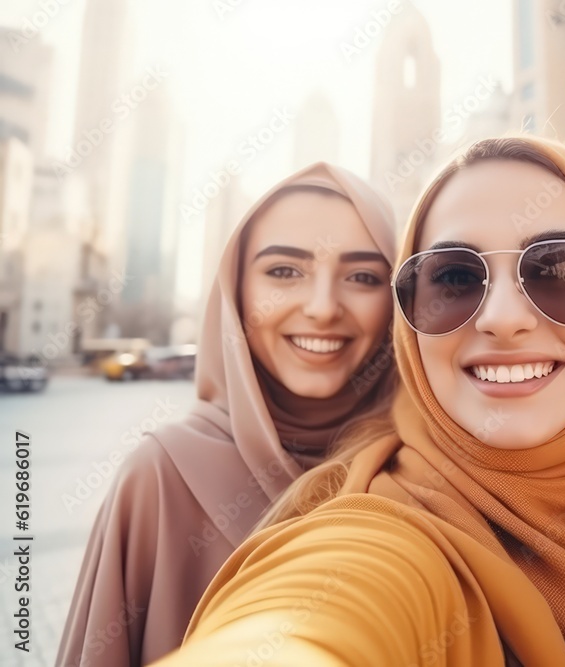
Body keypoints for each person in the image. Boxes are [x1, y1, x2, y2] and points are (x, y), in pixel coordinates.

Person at [152, 137, 565, 666]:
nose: (503, 319)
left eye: (558, 270)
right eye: (454, 280)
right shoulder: (386, 531)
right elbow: (318, 617)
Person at [58, 162, 399, 667]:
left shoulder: (423, 469)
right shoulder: (162, 475)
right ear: (235, 292)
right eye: (284, 271)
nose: (323, 307)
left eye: (364, 276)